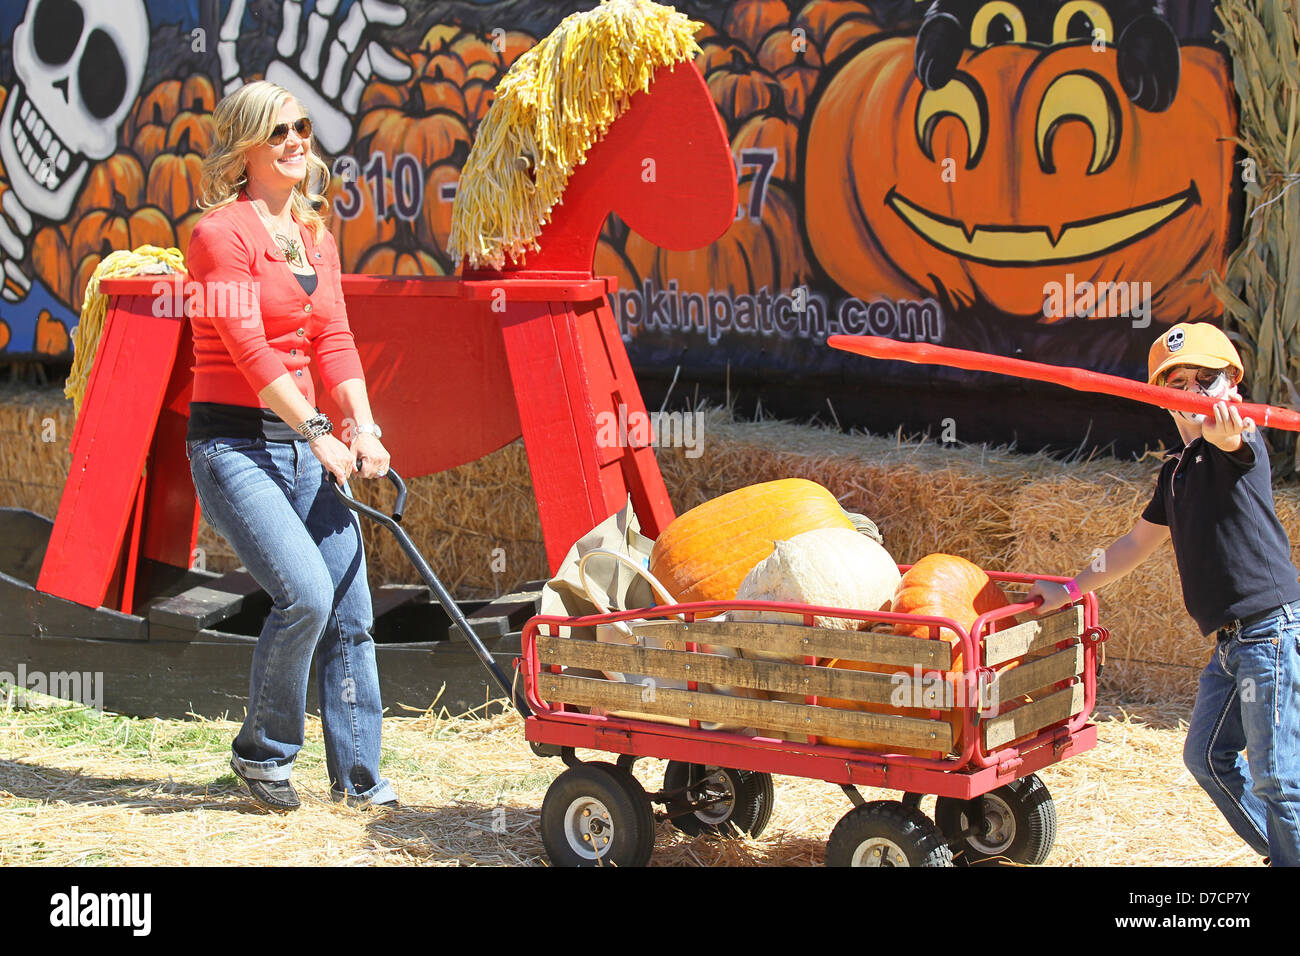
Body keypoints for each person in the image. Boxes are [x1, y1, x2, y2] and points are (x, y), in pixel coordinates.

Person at [184, 80, 396, 812]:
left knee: (349, 607)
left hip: (306, 445)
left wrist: (362, 429)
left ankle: (360, 781)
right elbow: (250, 353)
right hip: (236, 446)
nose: (296, 141)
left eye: (301, 127)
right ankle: (263, 752)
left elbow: (332, 340)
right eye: (277, 132)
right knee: (304, 593)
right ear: (244, 147)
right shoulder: (219, 235)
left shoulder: (316, 237)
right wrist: (319, 433)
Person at [1028, 322, 1299, 866]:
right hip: (1231, 645)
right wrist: (1073, 586)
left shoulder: (1238, 445)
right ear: (1161, 397)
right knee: (1206, 758)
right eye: (1179, 381)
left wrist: (1227, 430)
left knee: (1278, 780)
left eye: (1208, 379)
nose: (1195, 390)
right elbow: (1134, 544)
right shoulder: (1176, 471)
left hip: (1269, 633)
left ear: (1233, 390)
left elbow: (1230, 439)